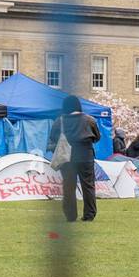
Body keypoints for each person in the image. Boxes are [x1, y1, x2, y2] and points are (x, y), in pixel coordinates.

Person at [47, 94, 100, 222]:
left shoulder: (60, 121)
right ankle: (89, 215)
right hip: (86, 155)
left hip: (67, 156)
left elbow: (53, 138)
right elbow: (97, 137)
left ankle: (70, 215)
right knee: (88, 185)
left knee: (68, 186)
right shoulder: (89, 120)